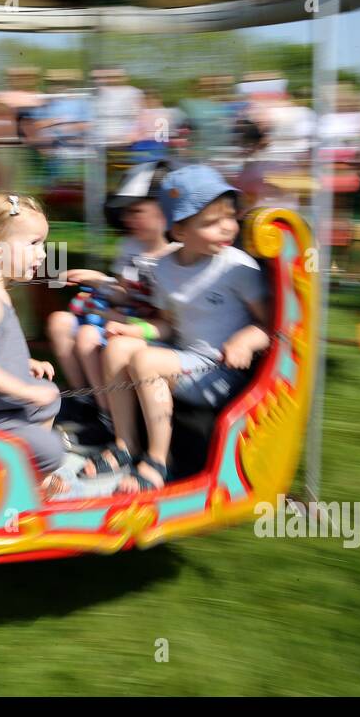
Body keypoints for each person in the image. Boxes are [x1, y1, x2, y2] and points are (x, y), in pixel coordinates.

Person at [0, 192, 132, 499]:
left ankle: (33, 472)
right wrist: (26, 390)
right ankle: (24, 479)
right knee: (50, 446)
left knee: (51, 396)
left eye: (42, 244)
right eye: (33, 244)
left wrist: (25, 363)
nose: (43, 255)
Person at [100, 166, 271, 490]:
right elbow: (168, 325)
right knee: (118, 349)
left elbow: (269, 324)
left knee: (145, 361)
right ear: (179, 231)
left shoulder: (238, 267)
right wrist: (139, 332)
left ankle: (157, 462)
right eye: (211, 222)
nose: (227, 228)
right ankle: (125, 445)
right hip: (187, 359)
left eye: (230, 217)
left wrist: (245, 341)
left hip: (220, 371)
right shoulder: (164, 268)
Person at [46, 173, 177, 432]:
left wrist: (113, 312)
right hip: (123, 312)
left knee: (86, 335)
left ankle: (107, 416)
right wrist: (98, 281)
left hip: (147, 324)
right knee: (59, 321)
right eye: (127, 213)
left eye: (138, 211)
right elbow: (123, 292)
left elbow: (164, 314)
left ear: (164, 212)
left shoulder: (174, 256)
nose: (130, 219)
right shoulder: (129, 245)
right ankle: (84, 398)